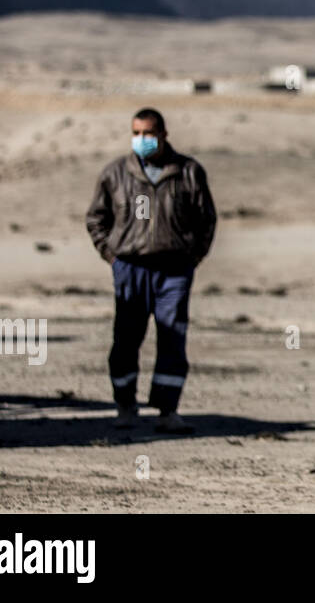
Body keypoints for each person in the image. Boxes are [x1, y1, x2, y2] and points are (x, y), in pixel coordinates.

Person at [85, 108, 217, 433]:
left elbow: (206, 220)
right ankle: (125, 406)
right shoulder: (116, 173)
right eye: (136, 133)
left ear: (163, 134)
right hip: (130, 268)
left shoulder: (187, 172)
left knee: (173, 336)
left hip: (174, 271)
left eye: (148, 133)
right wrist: (112, 256)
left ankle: (167, 411)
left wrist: (192, 258)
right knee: (126, 338)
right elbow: (96, 219)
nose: (142, 140)